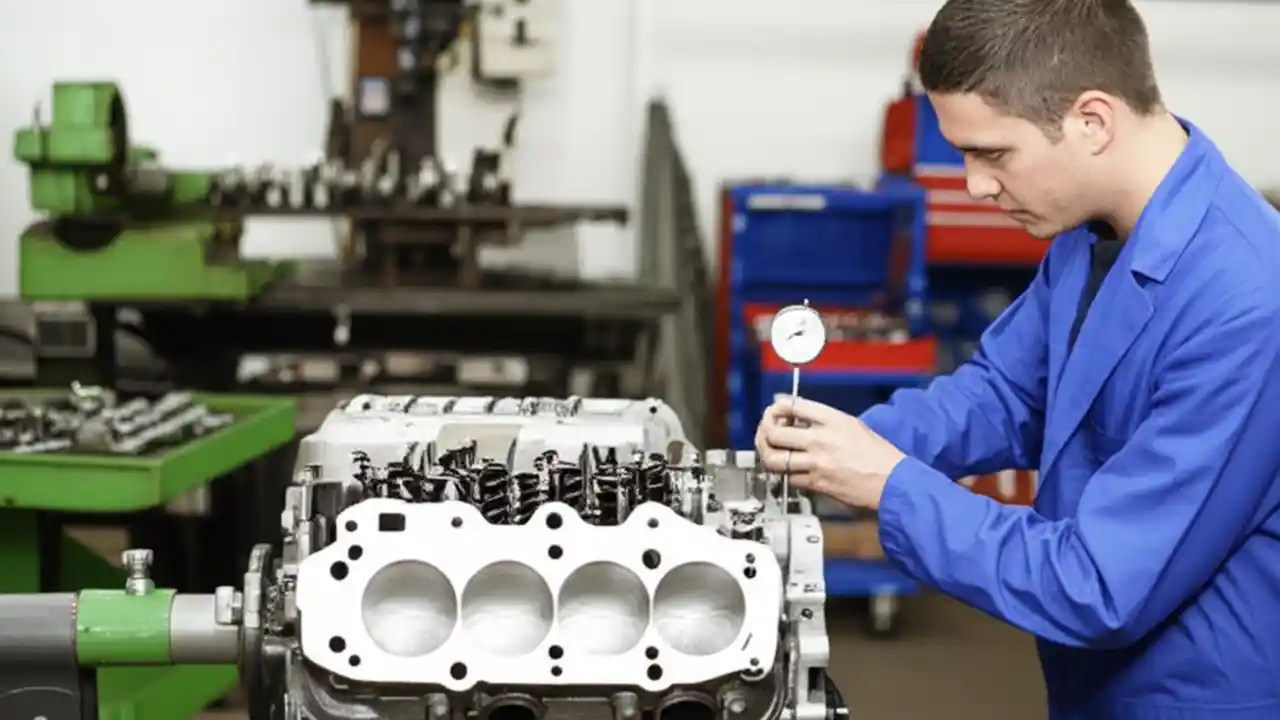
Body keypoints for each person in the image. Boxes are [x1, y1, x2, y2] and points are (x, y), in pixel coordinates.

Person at [754, 1, 1280, 718]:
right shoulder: (1091, 230)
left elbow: (1098, 586)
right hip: (1092, 687)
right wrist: (845, 445)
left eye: (992, 154)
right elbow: (1005, 392)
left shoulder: (1248, 302)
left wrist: (893, 485)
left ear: (1092, 122)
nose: (973, 184)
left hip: (1201, 696)